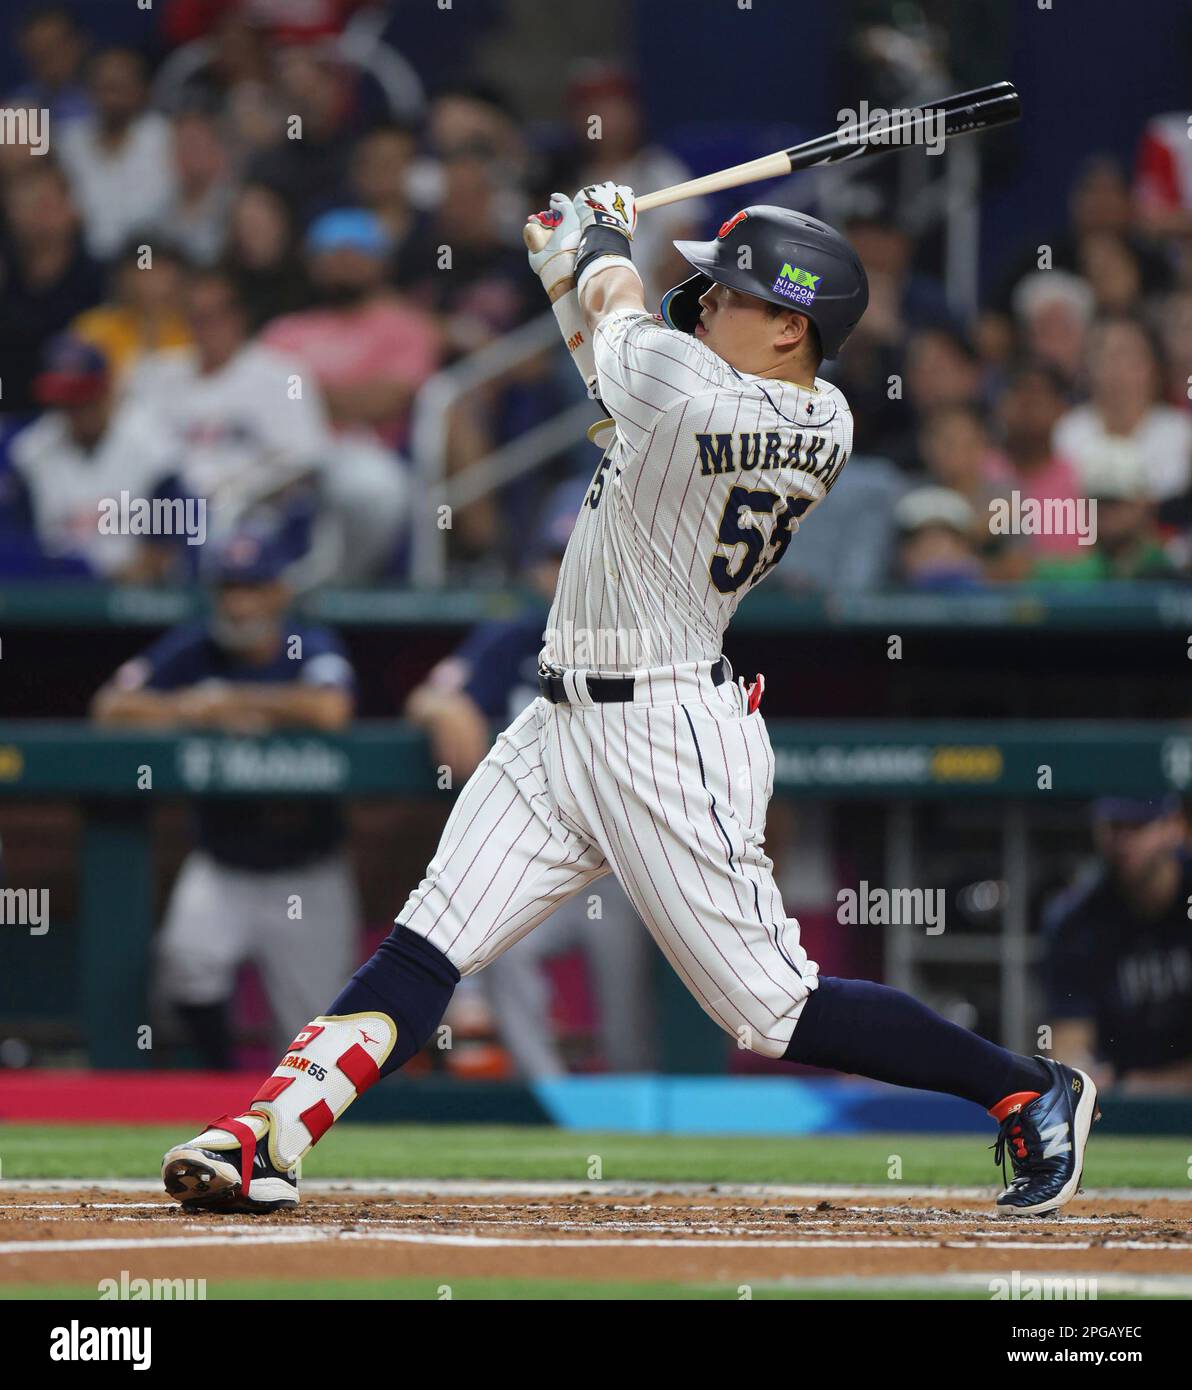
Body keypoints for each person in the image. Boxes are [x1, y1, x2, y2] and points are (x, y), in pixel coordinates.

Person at [161, 187, 1098, 1219]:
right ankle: (268, 1135)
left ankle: (1028, 1086)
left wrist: (596, 241)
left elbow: (625, 334)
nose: (700, 299)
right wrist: (568, 265)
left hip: (665, 732)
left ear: (792, 326)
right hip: (562, 719)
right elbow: (617, 374)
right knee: (429, 940)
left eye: (728, 291)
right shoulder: (806, 411)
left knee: (772, 1010)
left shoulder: (699, 386)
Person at [405, 478, 654, 1077]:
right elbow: (426, 696)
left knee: (629, 1019)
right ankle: (551, 1098)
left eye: (574, 559)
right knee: (497, 947)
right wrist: (445, 705)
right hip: (540, 853)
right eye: (551, 559)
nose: (561, 574)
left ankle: (635, 1114)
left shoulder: (643, 637)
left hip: (623, 862)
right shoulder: (511, 637)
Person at [91, 533, 360, 1068]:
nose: (238, 604)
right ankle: (222, 1078)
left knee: (313, 1037)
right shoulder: (194, 648)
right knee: (187, 961)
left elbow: (332, 710)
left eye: (253, 588)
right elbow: (111, 707)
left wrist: (237, 699)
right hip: (223, 863)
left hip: (308, 867)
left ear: (279, 591)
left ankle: (289, 1133)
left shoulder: (308, 643)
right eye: (229, 589)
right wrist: (195, 709)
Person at [1043, 798, 1192, 1093]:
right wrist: (1082, 1076)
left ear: (1174, 827)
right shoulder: (1077, 917)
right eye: (1114, 826)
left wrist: (1152, 1086)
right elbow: (1068, 1045)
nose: (1123, 840)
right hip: (1121, 1105)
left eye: (1137, 826)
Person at [5, 335, 181, 580]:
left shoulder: (153, 448)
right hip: (53, 588)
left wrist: (148, 565)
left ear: (107, 393)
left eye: (82, 400)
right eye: (65, 402)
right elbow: (17, 535)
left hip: (131, 592)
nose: (74, 411)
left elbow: (173, 538)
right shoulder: (30, 452)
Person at [56, 47, 176, 261]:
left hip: (153, 257)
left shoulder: (167, 136)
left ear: (143, 89)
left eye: (121, 86)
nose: (111, 96)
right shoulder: (68, 143)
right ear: (88, 91)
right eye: (103, 86)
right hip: (86, 262)